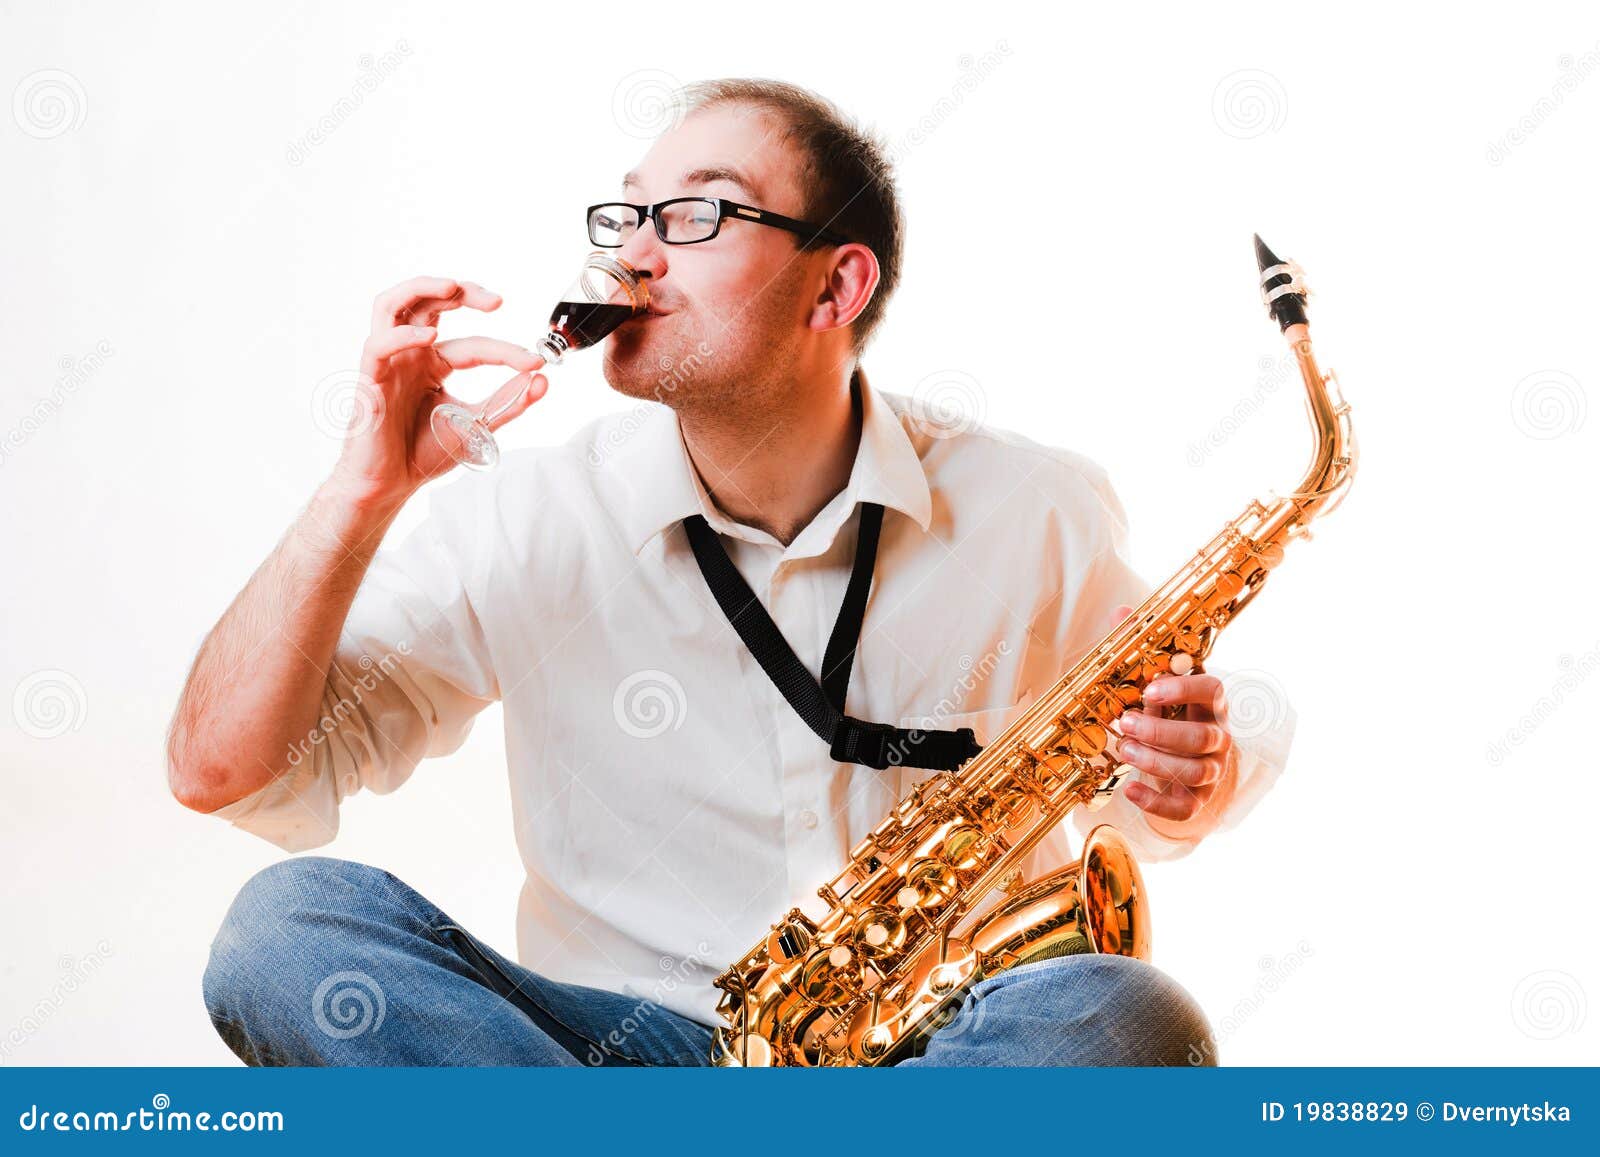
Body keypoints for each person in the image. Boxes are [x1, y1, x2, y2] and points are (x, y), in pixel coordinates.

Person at [167, 78, 1294, 1067]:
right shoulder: (528, 516)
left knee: (1121, 1011)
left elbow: (1167, 751)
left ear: (834, 288)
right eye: (626, 214)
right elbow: (226, 771)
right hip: (618, 1045)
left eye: (692, 213)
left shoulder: (1030, 505)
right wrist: (357, 493)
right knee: (285, 930)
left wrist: (1193, 760)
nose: (630, 254)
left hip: (937, 1042)